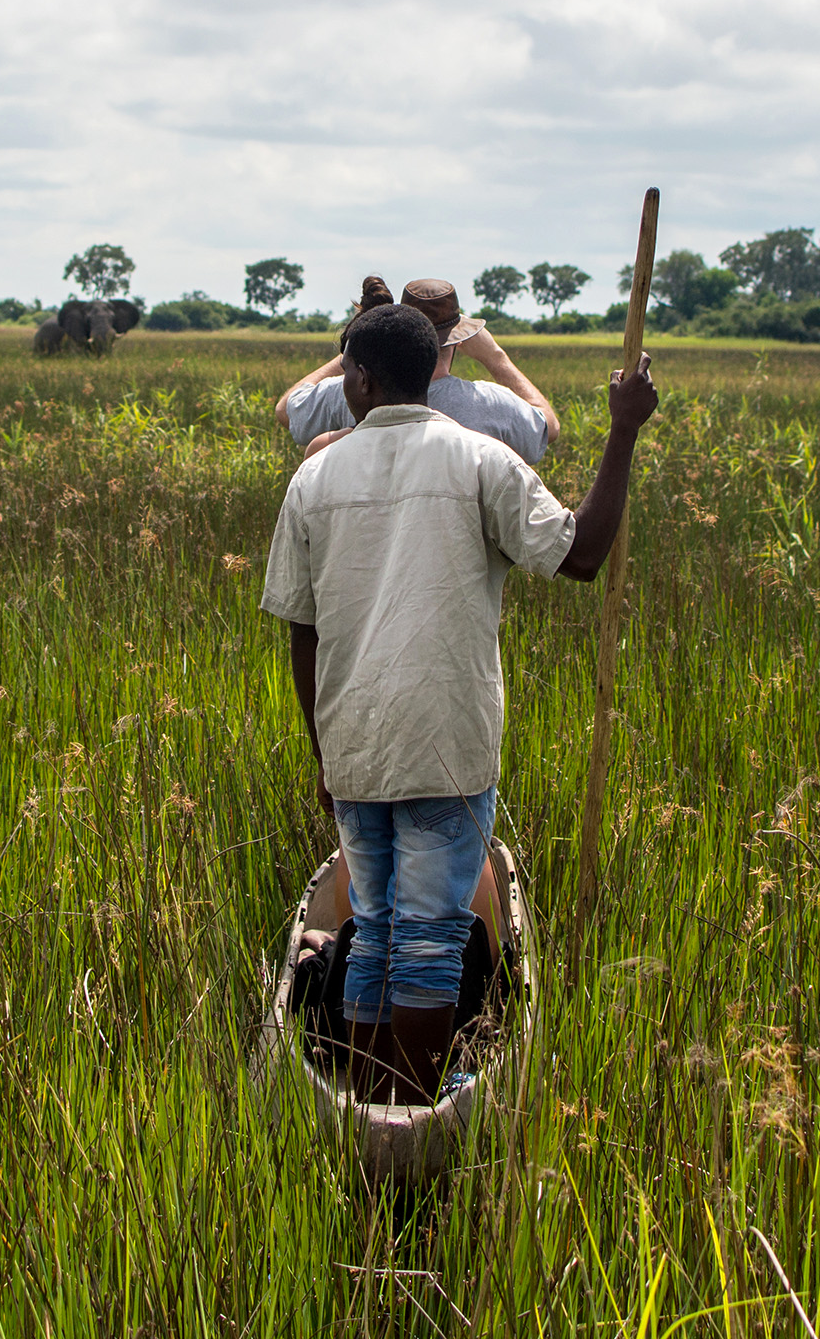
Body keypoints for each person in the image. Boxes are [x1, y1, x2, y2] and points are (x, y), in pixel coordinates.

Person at [260, 302, 658, 1104]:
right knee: (434, 939)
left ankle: (370, 1096)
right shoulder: (479, 460)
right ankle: (412, 1104)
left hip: (357, 747)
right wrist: (623, 432)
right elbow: (581, 556)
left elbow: (300, 633)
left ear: (362, 381)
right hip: (446, 742)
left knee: (372, 932)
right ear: (432, 371)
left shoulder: (316, 475)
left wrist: (322, 754)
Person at [277, 278, 558, 463]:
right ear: (458, 340)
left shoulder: (358, 390)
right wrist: (496, 358)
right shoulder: (489, 403)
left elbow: (288, 409)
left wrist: (360, 345)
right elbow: (548, 426)